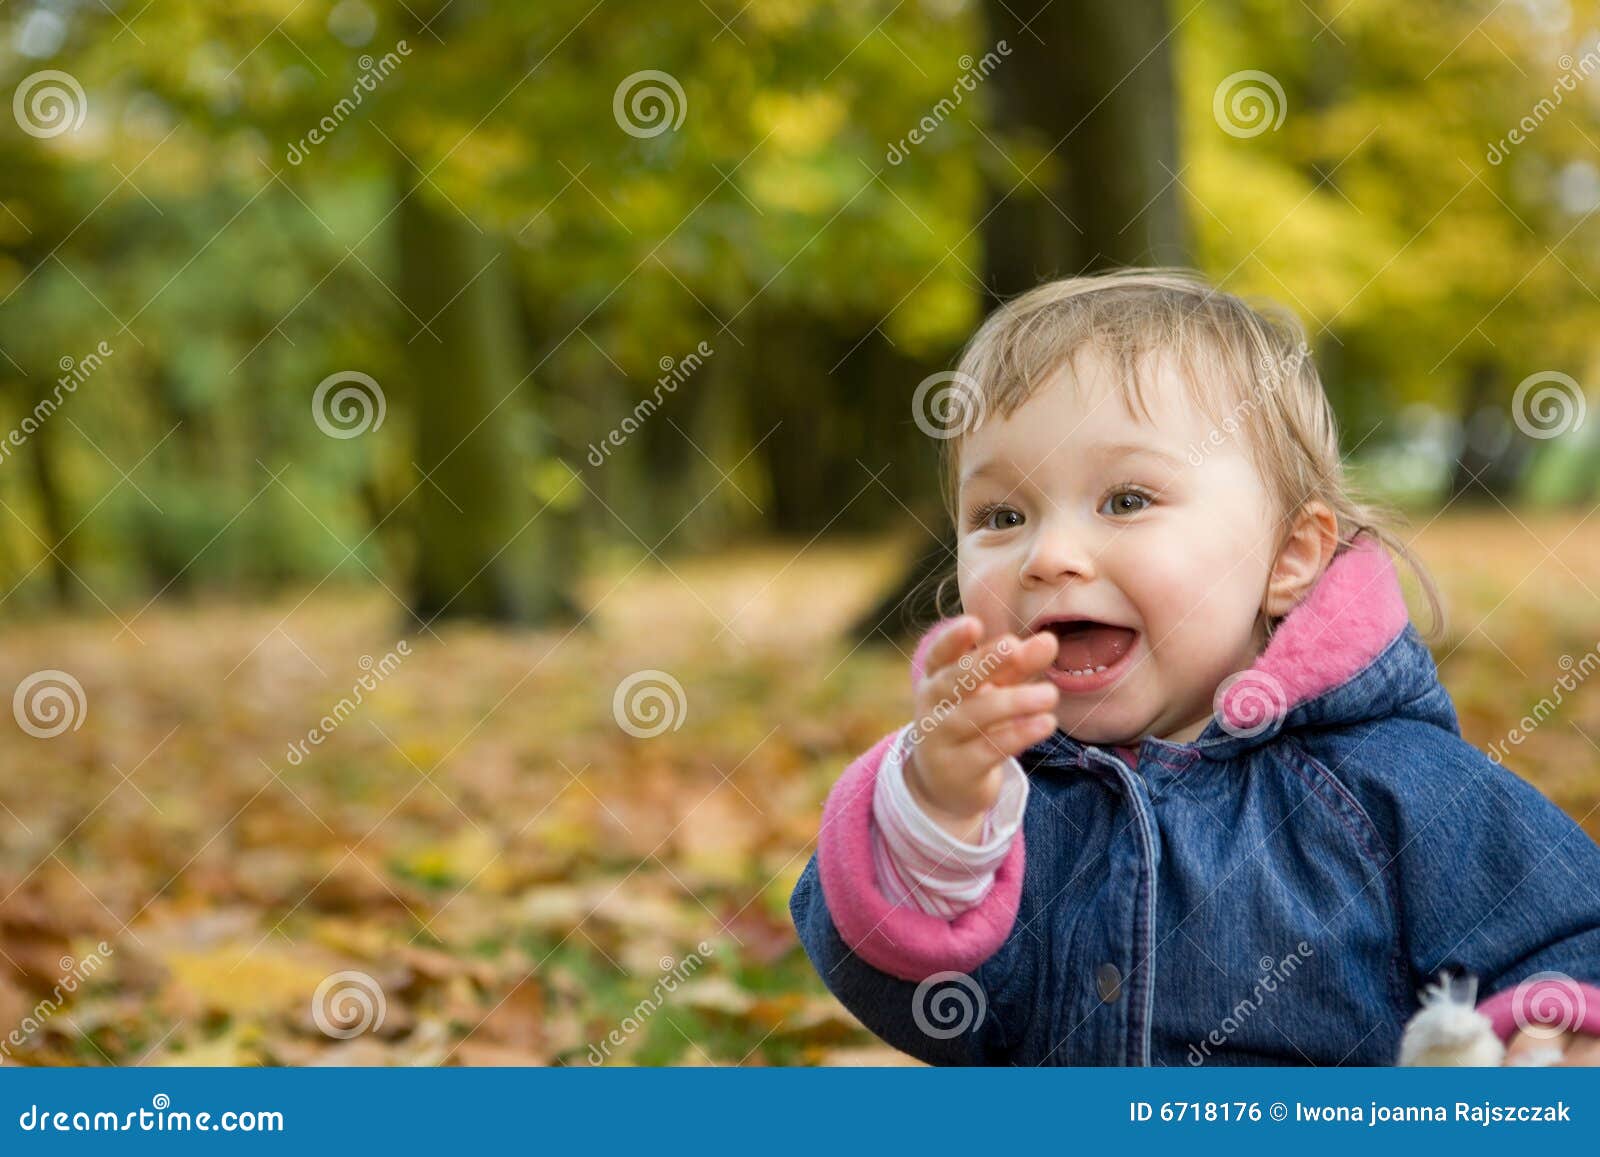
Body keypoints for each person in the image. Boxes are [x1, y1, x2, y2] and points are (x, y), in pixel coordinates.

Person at [790, 269, 1600, 1065]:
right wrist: (934, 819)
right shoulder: (1005, 794)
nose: (1050, 556)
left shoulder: (1396, 788)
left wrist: (1550, 1029)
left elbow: (1569, 931)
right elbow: (915, 1006)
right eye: (1002, 515)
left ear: (1289, 555)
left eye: (1127, 500)